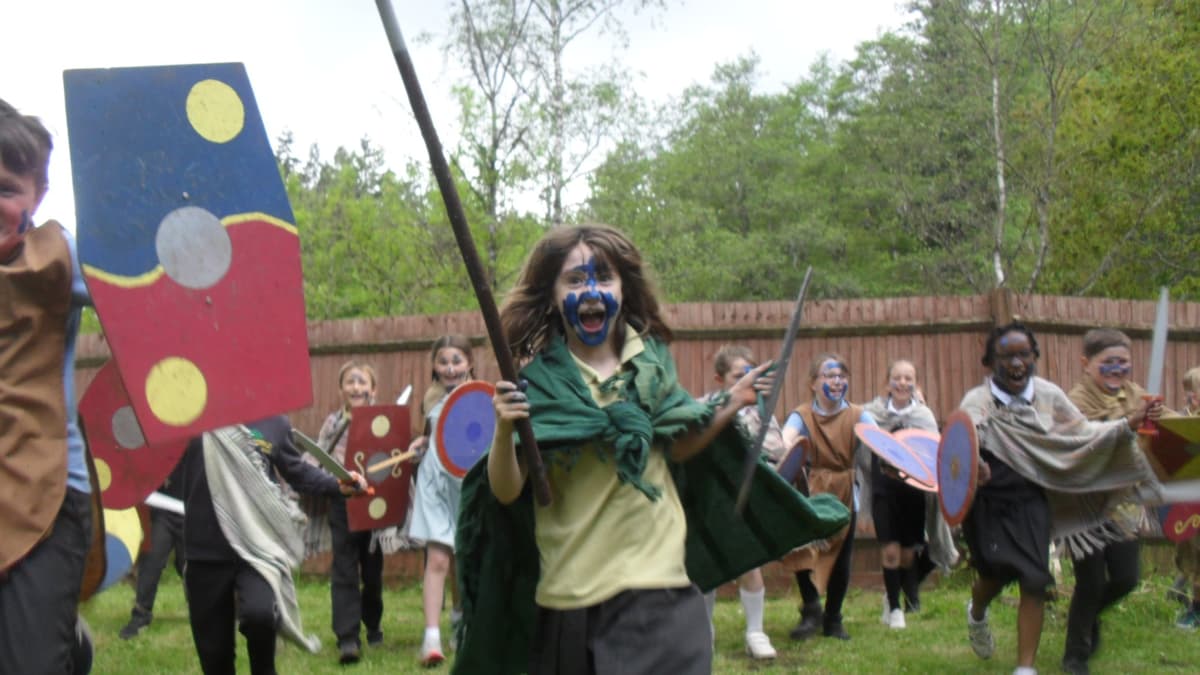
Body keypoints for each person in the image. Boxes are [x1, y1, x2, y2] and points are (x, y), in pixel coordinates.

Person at [454, 224, 849, 675]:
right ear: (550, 295)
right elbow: (506, 492)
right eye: (575, 280)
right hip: (568, 600)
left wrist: (729, 404)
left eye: (604, 278)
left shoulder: (651, 366)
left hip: (658, 592)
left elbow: (677, 446)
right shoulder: (538, 385)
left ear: (624, 289)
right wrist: (506, 430)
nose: (591, 290)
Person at [959, 322, 1159, 675]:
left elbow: (1083, 435)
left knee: (1035, 579)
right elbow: (959, 447)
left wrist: (1127, 424)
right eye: (1007, 355)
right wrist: (975, 465)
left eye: (1024, 354)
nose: (1017, 363)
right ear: (991, 361)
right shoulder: (978, 402)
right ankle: (976, 610)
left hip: (1033, 502)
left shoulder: (1050, 396)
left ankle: (1025, 668)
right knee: (997, 575)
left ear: (1034, 357)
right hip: (989, 505)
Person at [0, 98, 98, 673]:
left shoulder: (61, 256)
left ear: (38, 194)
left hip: (48, 488)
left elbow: (143, 297)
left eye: (8, 189)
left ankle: (58, 647)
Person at [179, 415, 367, 675]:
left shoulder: (274, 422)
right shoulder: (190, 416)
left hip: (258, 545)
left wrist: (337, 485)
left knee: (260, 615)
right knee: (214, 656)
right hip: (205, 547)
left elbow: (297, 471)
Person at [1060, 329, 1152, 673]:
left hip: (1125, 503)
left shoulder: (1136, 394)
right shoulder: (1075, 400)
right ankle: (1075, 658)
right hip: (1084, 506)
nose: (1117, 370)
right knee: (1091, 582)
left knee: (1127, 578)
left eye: (1123, 364)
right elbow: (1082, 439)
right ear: (1086, 364)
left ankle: (1089, 615)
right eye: (1108, 363)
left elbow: (1161, 425)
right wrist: (1126, 423)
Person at [697, 345, 785, 660]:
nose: (747, 380)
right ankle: (702, 633)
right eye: (739, 375)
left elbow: (776, 450)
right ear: (720, 378)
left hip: (743, 498)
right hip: (708, 499)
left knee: (749, 564)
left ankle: (755, 632)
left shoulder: (761, 410)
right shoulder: (704, 407)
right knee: (704, 568)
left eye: (751, 373)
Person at [782, 353, 877, 641]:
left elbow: (879, 442)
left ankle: (833, 618)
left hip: (846, 492)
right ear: (813, 383)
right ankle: (811, 609)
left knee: (841, 560)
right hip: (811, 490)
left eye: (841, 376)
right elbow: (787, 440)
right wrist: (785, 447)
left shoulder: (859, 415)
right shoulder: (802, 415)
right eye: (829, 376)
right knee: (802, 552)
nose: (837, 381)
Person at [861, 359, 955, 629]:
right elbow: (862, 440)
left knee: (907, 555)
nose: (902, 383)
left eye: (908, 378)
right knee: (889, 551)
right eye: (897, 377)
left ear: (916, 384)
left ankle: (897, 596)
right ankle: (895, 609)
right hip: (883, 492)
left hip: (913, 493)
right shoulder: (871, 414)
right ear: (887, 383)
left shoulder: (923, 416)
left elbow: (933, 452)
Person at [407, 335, 474, 666]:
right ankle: (431, 638)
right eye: (443, 361)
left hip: (469, 484)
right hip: (435, 482)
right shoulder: (430, 397)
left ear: (469, 363)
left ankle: (462, 622)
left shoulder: (481, 395)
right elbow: (432, 434)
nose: (450, 368)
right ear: (434, 365)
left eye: (457, 360)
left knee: (464, 562)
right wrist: (420, 442)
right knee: (438, 560)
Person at [315, 360, 385, 664]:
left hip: (374, 504)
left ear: (373, 389)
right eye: (350, 382)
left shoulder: (383, 419)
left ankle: (373, 625)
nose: (356, 387)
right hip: (343, 503)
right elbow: (320, 454)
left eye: (362, 382)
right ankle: (347, 637)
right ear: (341, 389)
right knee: (344, 567)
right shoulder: (332, 423)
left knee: (372, 571)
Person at [120, 462, 187, 640]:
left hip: (190, 508)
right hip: (163, 512)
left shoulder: (200, 439)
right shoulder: (161, 438)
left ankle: (210, 614)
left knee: (189, 566)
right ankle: (140, 616)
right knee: (151, 561)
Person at [1170, 366, 1200, 629]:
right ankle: (1195, 608)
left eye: (1197, 391)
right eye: (1191, 392)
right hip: (1191, 499)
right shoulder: (1181, 421)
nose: (1193, 397)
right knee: (1193, 553)